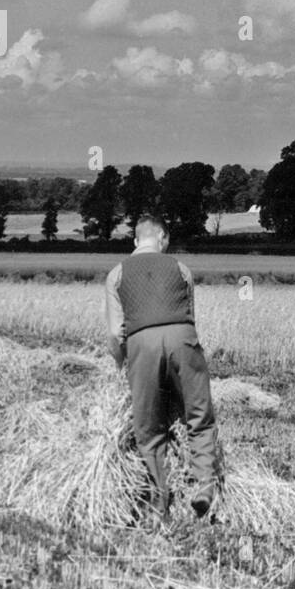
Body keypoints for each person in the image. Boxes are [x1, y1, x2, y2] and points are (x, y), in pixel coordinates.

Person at [105, 215, 219, 523]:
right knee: (199, 414)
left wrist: (121, 366)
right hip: (183, 338)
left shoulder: (116, 274)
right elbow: (190, 317)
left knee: (148, 427)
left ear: (135, 241)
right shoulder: (182, 270)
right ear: (163, 238)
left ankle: (159, 497)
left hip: (142, 344)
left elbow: (116, 334)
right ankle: (203, 487)